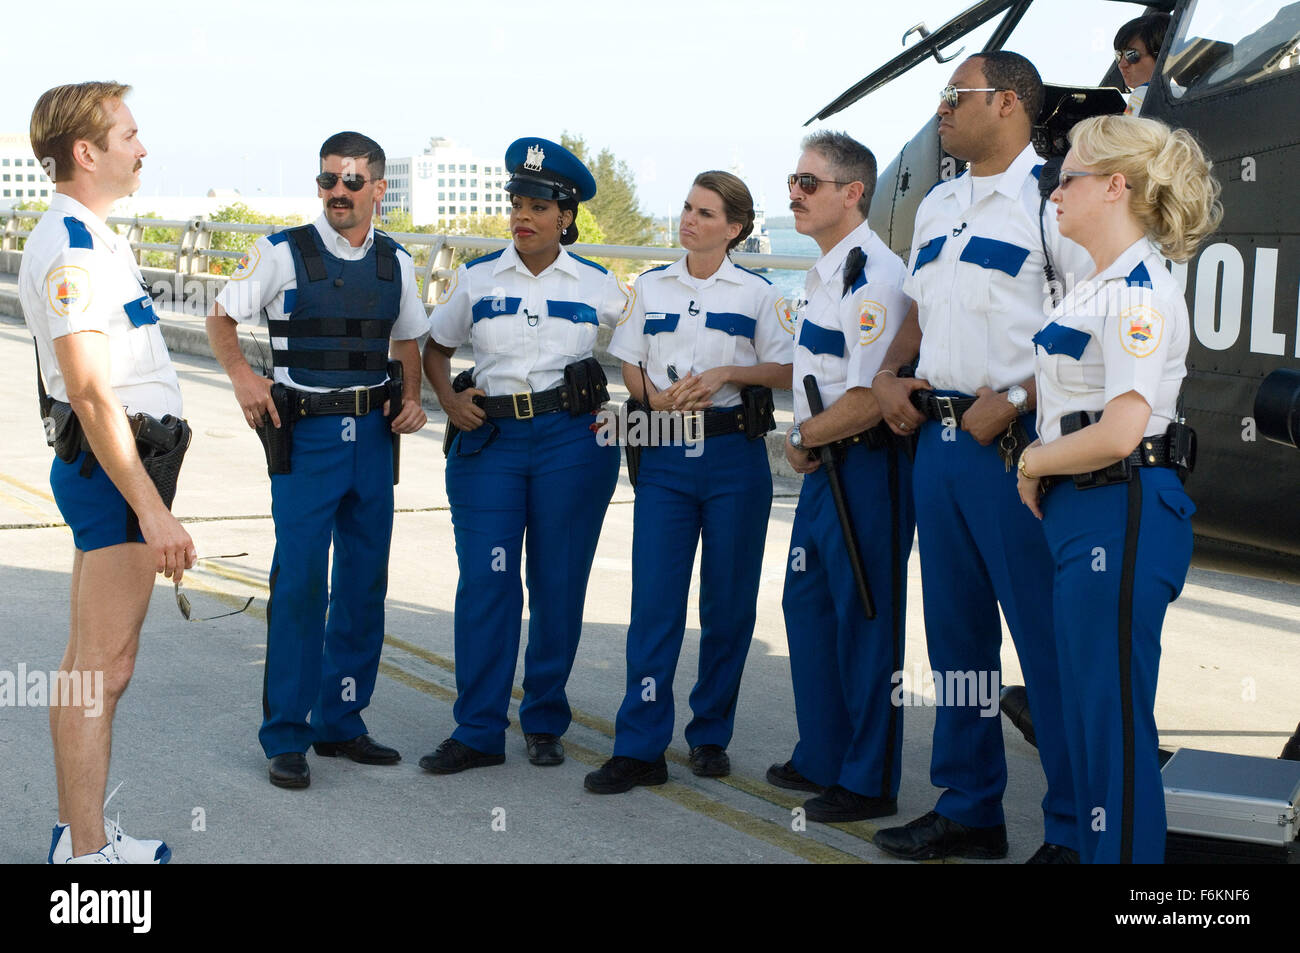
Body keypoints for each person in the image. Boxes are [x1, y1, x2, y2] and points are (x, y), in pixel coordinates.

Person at [871, 52, 1091, 863]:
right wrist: (891, 374)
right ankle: (970, 806)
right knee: (955, 637)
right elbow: (920, 316)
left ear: (1006, 104)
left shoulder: (1054, 200)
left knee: (1046, 637)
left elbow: (1091, 325)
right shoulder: (937, 204)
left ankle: (1073, 829)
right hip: (940, 440)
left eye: (953, 95)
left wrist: (1026, 395)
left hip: (1016, 449)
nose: (941, 110)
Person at [1017, 115, 1221, 863]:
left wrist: (1033, 462)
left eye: (1067, 175)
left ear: (1114, 186)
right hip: (1088, 510)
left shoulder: (1137, 292)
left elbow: (1120, 429)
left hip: (1121, 507)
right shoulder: (1095, 287)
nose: (1054, 190)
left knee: (1112, 727)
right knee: (1084, 714)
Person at [207, 132, 428, 790]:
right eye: (327, 179)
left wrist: (413, 396)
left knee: (363, 587)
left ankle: (343, 721)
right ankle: (287, 735)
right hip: (306, 438)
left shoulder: (397, 262)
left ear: (379, 189)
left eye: (352, 181)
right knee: (302, 584)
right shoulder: (281, 253)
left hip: (374, 437)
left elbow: (409, 335)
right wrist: (245, 379)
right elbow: (221, 315)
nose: (337, 191)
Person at [21, 82, 193, 863]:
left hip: (111, 469)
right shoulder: (75, 249)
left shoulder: (92, 236)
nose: (142, 147)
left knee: (86, 664)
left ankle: (76, 836)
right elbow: (91, 391)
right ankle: (88, 861)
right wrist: (153, 510)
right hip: (117, 472)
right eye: (128, 134)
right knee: (103, 667)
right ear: (86, 153)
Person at [420, 137, 627, 773]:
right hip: (493, 443)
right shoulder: (476, 279)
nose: (523, 213)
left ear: (565, 215)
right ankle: (478, 730)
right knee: (487, 582)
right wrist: (449, 405)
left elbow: (647, 354)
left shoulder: (601, 287)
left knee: (558, 584)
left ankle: (544, 719)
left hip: (573, 443)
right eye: (516, 200)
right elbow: (435, 348)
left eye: (538, 203)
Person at [584, 171, 793, 793]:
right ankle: (640, 745)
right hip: (665, 450)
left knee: (727, 605)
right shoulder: (649, 286)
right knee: (654, 602)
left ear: (734, 228)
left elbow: (787, 367)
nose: (689, 220)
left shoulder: (759, 293)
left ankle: (709, 735)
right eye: (687, 208)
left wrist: (730, 368)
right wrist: (650, 397)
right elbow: (628, 356)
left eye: (705, 213)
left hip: (733, 452)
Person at [764, 133, 917, 824]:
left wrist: (800, 435)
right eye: (793, 180)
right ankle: (822, 753)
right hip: (825, 466)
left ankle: (867, 778)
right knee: (810, 608)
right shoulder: (825, 272)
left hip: (864, 465)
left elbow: (867, 398)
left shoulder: (874, 277)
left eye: (809, 182)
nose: (794, 192)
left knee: (863, 620)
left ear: (853, 193)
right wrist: (808, 441)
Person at [1113, 13, 1171, 116]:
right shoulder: (1183, 93)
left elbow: (1126, 129)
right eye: (1119, 55)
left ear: (1162, 55)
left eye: (1131, 54)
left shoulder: (1142, 94)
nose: (1122, 64)